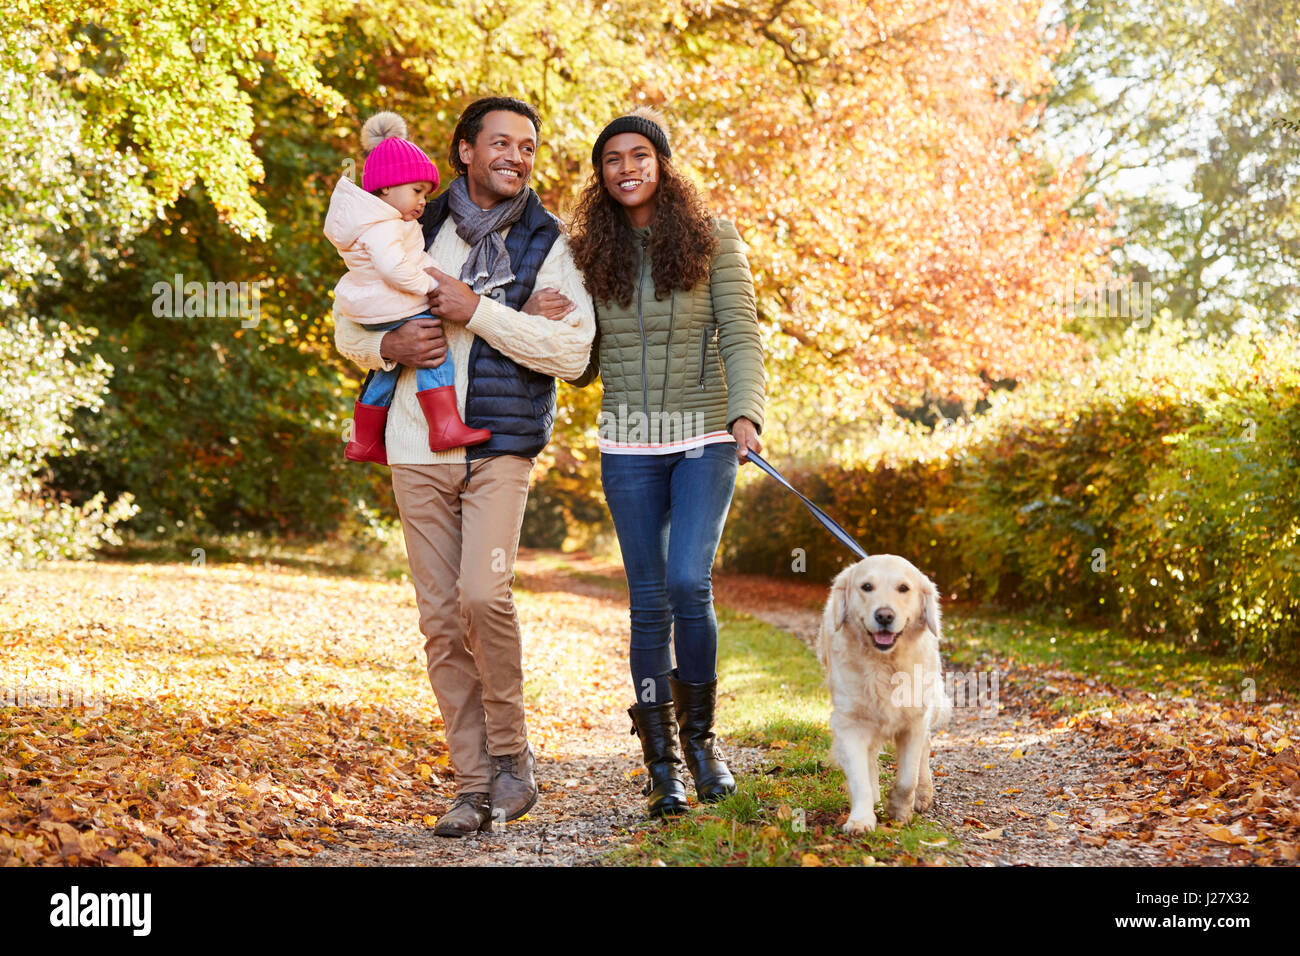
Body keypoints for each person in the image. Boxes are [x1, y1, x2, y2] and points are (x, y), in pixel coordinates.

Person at [333, 96, 595, 837]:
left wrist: (473, 309)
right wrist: (386, 349)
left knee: (483, 593)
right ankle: (474, 785)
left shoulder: (553, 243)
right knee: (442, 620)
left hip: (502, 444)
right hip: (417, 444)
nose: (516, 156)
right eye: (501, 143)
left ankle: (514, 759)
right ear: (465, 153)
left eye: (529, 147)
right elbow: (348, 317)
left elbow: (572, 354)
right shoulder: (412, 221)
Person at [566, 107, 766, 817]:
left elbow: (741, 335)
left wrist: (746, 413)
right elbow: (577, 360)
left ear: (663, 164)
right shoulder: (586, 250)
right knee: (648, 603)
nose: (627, 168)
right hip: (626, 442)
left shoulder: (716, 239)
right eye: (612, 158)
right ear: (601, 174)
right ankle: (662, 765)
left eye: (640, 155)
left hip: (706, 434)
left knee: (689, 581)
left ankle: (704, 742)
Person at [325, 111, 492, 462]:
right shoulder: (384, 226)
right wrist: (427, 287)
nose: (422, 201)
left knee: (387, 372)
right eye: (416, 191)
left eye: (426, 193)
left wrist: (436, 273)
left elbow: (416, 258)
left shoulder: (384, 220)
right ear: (386, 187)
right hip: (391, 303)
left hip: (375, 307)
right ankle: (444, 426)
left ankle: (363, 438)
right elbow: (395, 267)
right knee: (435, 354)